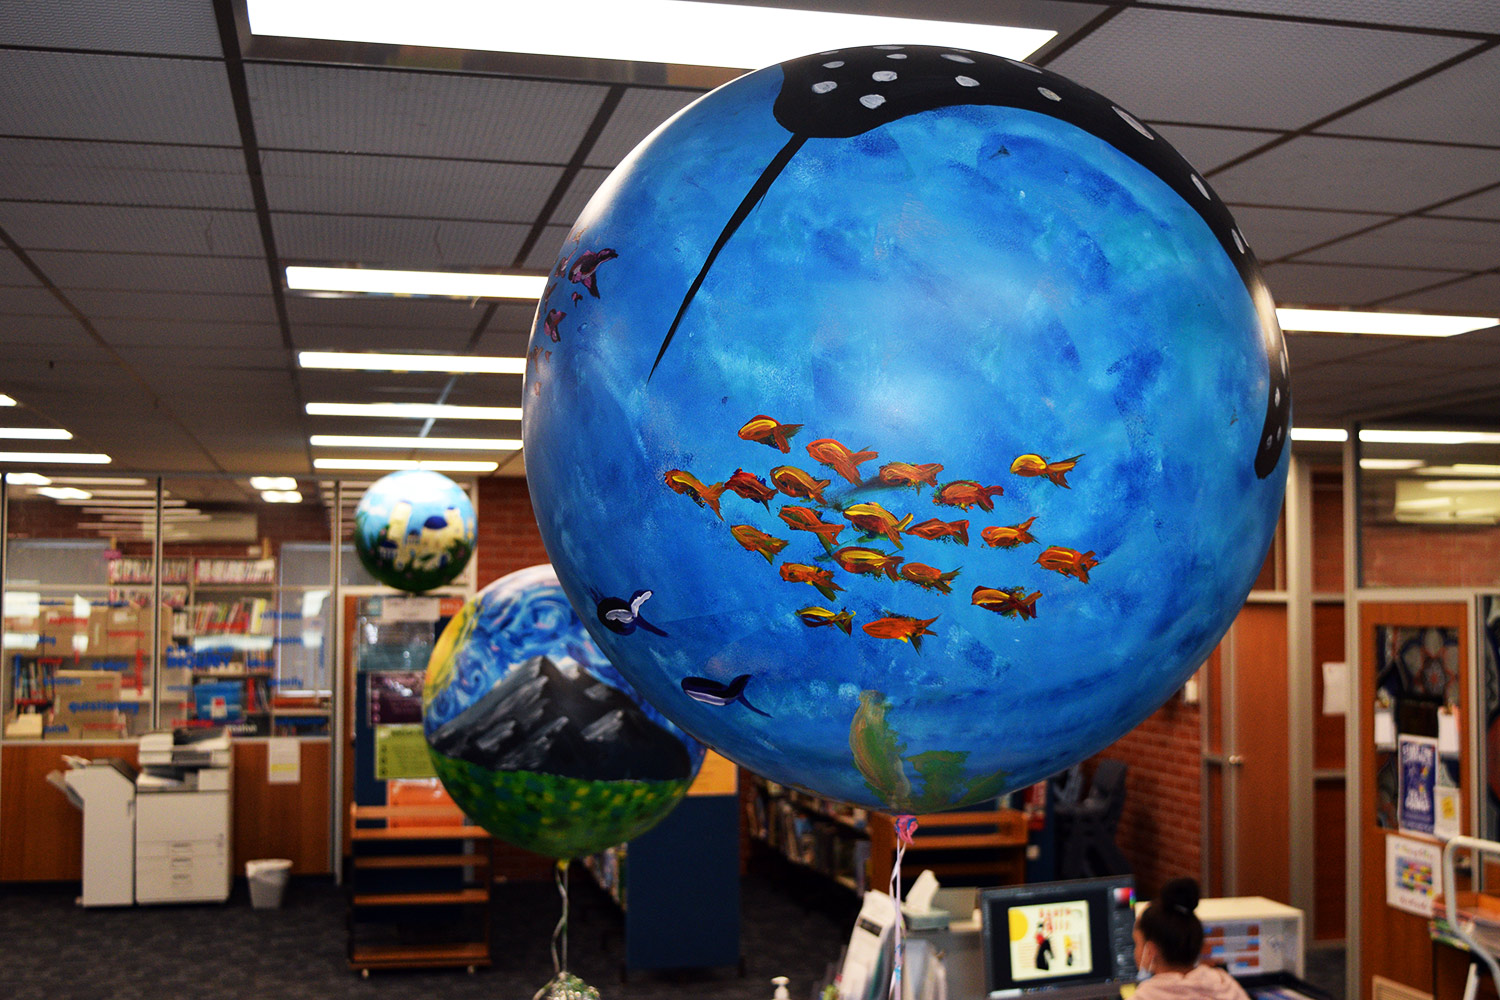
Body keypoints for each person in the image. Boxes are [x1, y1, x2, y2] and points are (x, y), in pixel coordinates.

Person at [1132, 877, 1249, 999]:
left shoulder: (1145, 996)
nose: (1135, 951)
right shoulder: (1226, 985)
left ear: (1150, 951)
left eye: (1137, 943)